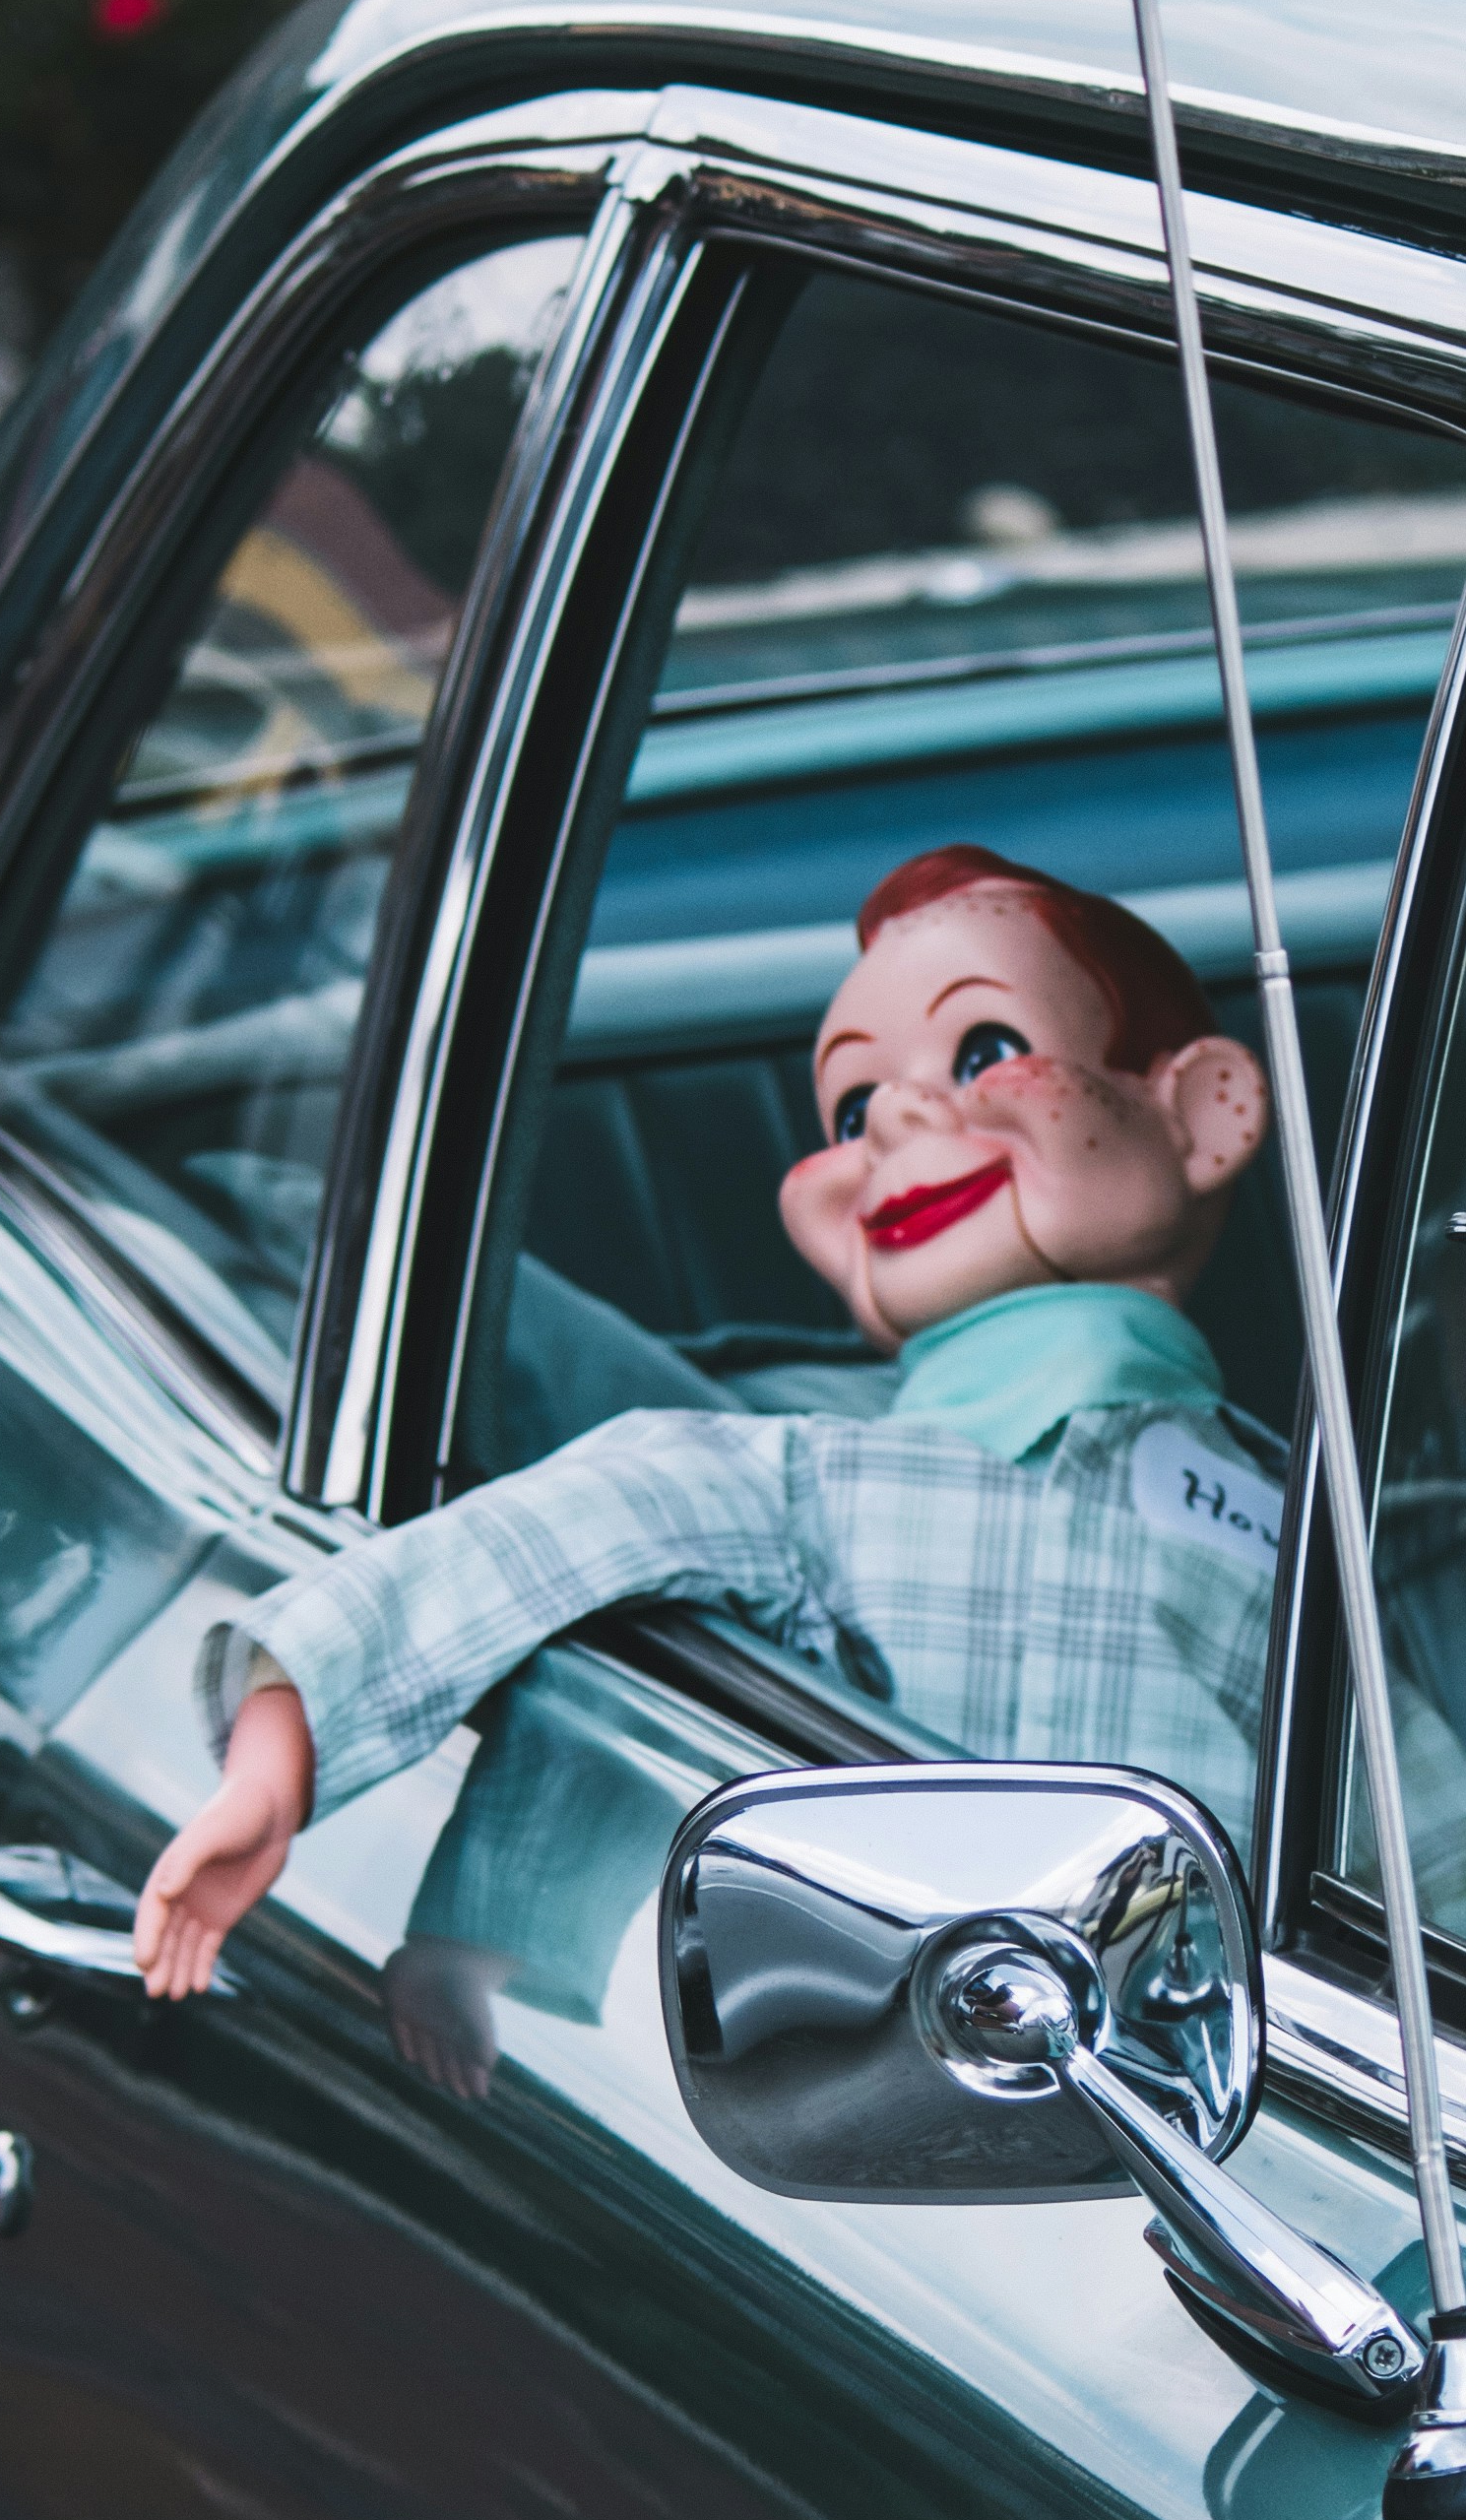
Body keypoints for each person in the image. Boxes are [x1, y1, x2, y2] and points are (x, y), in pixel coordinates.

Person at [133, 841, 1288, 2003]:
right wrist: (285, 1753)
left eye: (986, 1048)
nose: (893, 1119)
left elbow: (1421, 1843)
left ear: (1205, 1109)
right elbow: (553, 1539)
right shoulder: (815, 1486)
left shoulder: (1305, 1524)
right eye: (848, 1112)